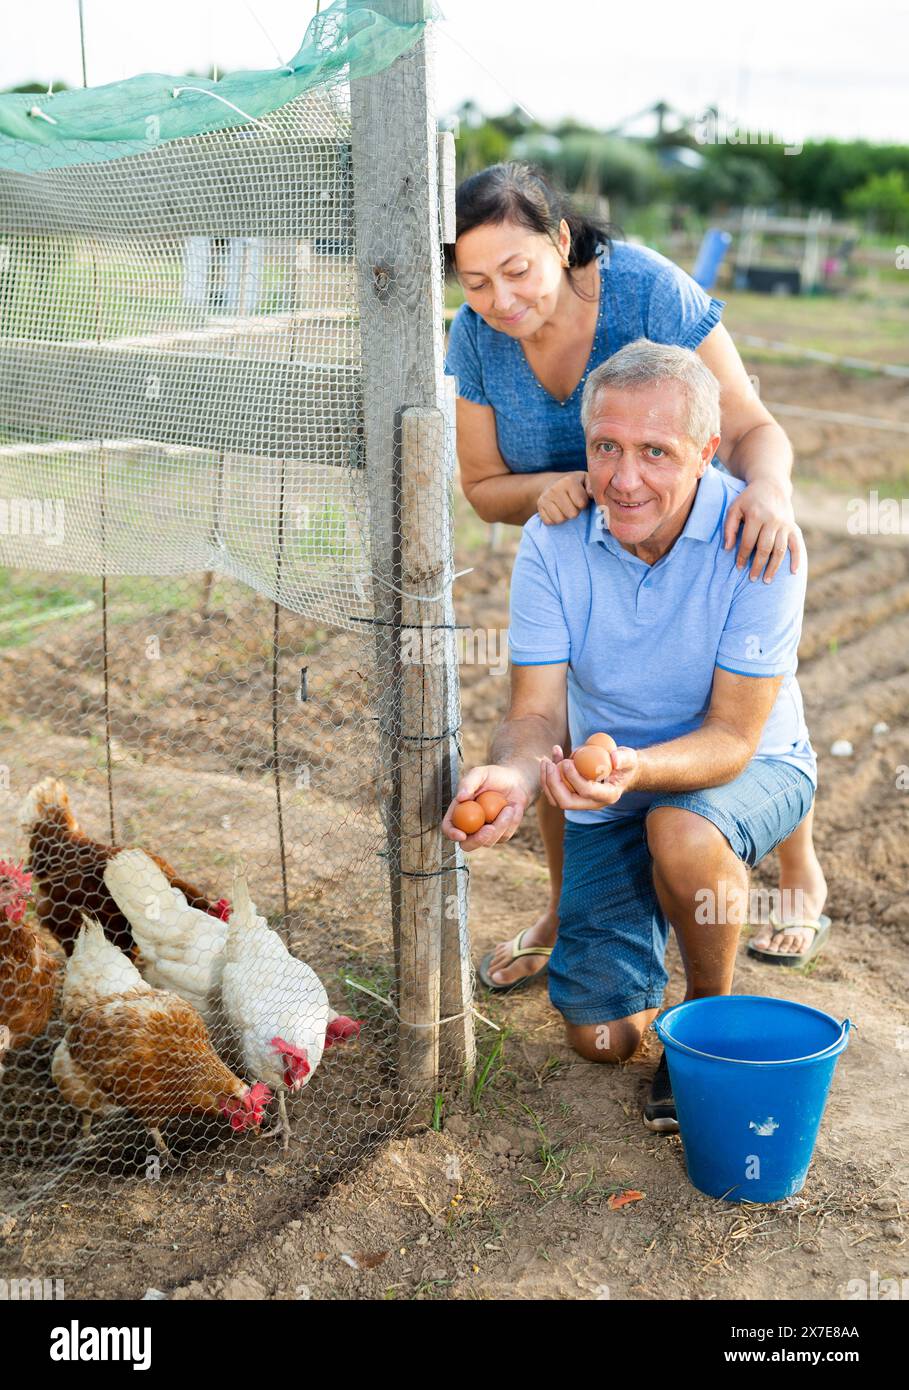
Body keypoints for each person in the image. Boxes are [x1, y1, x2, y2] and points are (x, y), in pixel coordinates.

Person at [444, 162, 827, 989]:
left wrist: (766, 491)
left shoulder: (646, 290)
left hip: (680, 510)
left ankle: (794, 867)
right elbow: (479, 488)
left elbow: (747, 422)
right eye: (475, 282)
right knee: (570, 722)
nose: (500, 300)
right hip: (572, 530)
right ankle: (567, 909)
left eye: (516, 272)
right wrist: (558, 490)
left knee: (731, 685)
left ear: (559, 240)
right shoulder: (474, 335)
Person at [442, 341, 824, 1130]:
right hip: (614, 779)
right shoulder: (553, 541)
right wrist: (513, 773)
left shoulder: (759, 543)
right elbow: (536, 712)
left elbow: (729, 739)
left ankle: (705, 1021)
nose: (624, 478)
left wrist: (634, 768)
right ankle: (643, 920)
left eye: (656, 452)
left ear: (706, 452)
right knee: (602, 1040)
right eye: (605, 448)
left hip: (743, 767)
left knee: (677, 829)